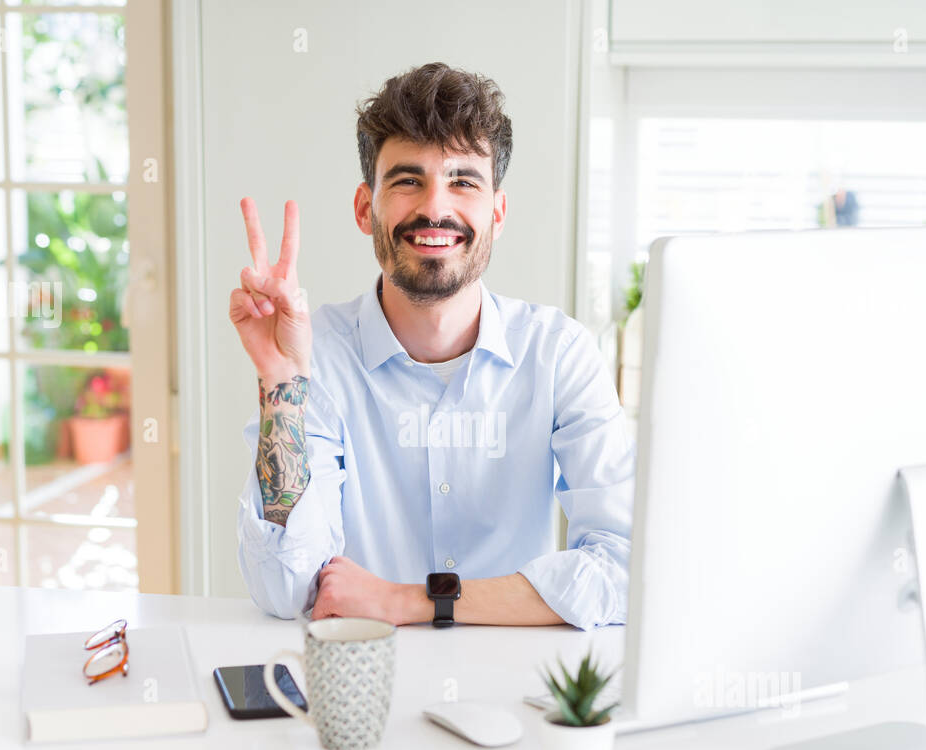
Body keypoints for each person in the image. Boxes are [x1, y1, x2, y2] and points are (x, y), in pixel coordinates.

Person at [229, 62, 633, 630]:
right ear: (365, 208)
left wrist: (412, 600)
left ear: (496, 213)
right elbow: (284, 588)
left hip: (513, 692)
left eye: (463, 180)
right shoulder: (315, 357)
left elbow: (625, 567)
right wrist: (282, 388)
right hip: (361, 682)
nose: (435, 208)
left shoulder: (560, 353)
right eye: (407, 180)